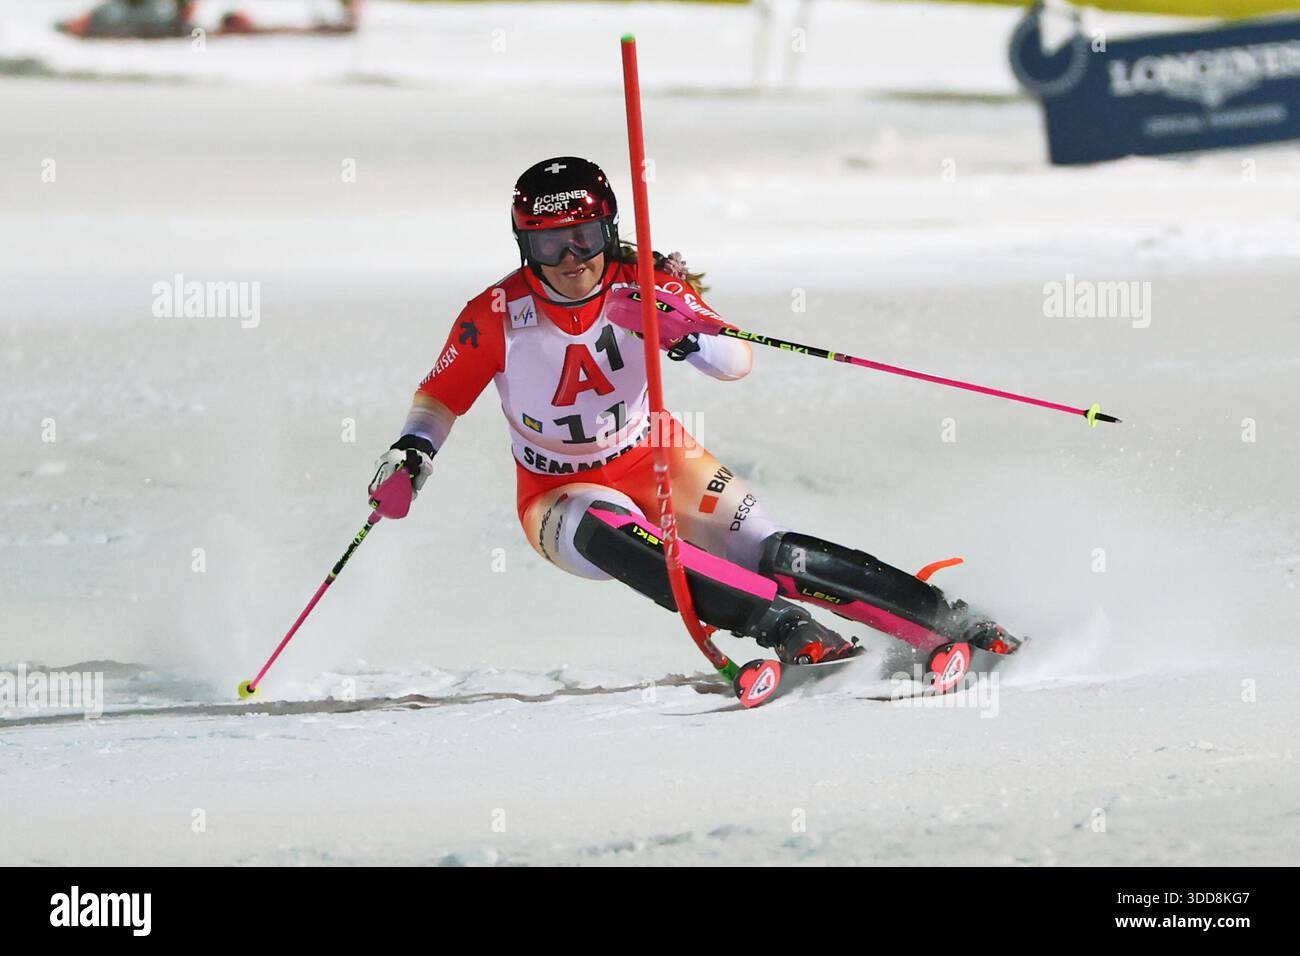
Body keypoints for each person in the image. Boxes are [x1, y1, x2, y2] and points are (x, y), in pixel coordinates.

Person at [371, 157, 1019, 687]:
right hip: (558, 491)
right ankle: (787, 630)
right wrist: (409, 454)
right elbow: (440, 398)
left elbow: (736, 361)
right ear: (525, 245)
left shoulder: (643, 279)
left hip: (658, 455)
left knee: (776, 552)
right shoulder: (494, 313)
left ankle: (952, 623)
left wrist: (684, 335)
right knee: (616, 533)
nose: (573, 259)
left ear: (608, 231)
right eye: (550, 243)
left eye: (586, 238)